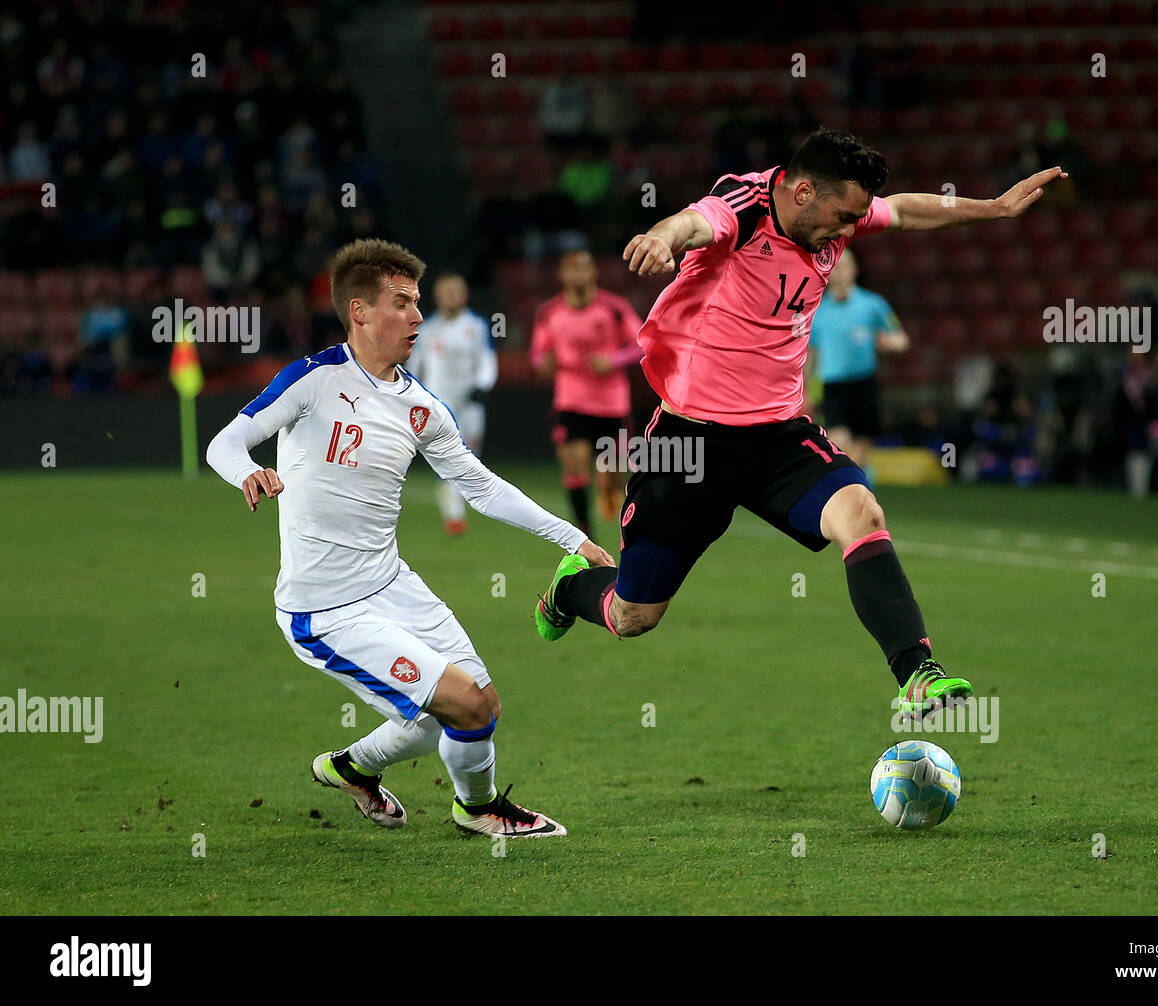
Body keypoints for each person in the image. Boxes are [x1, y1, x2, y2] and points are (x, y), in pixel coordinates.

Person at [533, 128, 1066, 721]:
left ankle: (916, 674)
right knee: (632, 616)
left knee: (862, 513)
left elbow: (908, 210)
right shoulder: (746, 206)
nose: (849, 231)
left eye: (856, 219)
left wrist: (992, 208)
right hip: (689, 443)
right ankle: (572, 585)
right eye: (843, 217)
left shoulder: (837, 215)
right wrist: (660, 237)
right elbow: (692, 221)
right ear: (803, 191)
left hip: (778, 436)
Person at [206, 238, 613, 838]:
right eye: (402, 302)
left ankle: (349, 768)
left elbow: (482, 487)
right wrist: (250, 472)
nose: (417, 316)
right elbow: (224, 443)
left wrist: (571, 538)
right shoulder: (312, 380)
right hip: (325, 610)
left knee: (479, 704)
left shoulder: (421, 406)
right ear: (360, 312)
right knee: (463, 707)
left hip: (393, 585)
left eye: (418, 302)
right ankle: (479, 809)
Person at [530, 248, 644, 535]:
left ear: (593, 272)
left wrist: (613, 360)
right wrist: (545, 363)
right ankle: (584, 533)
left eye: (583, 268)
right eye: (572, 268)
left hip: (611, 403)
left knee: (608, 482)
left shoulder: (613, 308)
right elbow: (537, 353)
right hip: (571, 400)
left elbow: (642, 342)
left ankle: (611, 502)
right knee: (575, 466)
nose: (578, 274)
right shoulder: (550, 312)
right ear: (562, 275)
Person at [406, 272, 497, 535]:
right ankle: (454, 515)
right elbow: (415, 365)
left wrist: (482, 386)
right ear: (436, 295)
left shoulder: (477, 325)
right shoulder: (426, 328)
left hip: (470, 399)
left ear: (465, 294)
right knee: (445, 454)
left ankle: (469, 500)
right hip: (439, 400)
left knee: (471, 453)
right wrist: (415, 394)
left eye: (456, 291)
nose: (451, 297)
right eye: (446, 291)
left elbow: (487, 360)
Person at [808, 247, 909, 472]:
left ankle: (862, 491)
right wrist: (805, 392)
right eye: (835, 267)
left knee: (861, 450)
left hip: (865, 384)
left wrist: (891, 343)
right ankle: (851, 490)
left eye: (844, 266)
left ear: (854, 270)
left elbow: (901, 338)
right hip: (833, 387)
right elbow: (811, 355)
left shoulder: (873, 305)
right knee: (839, 445)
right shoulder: (817, 311)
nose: (840, 272)